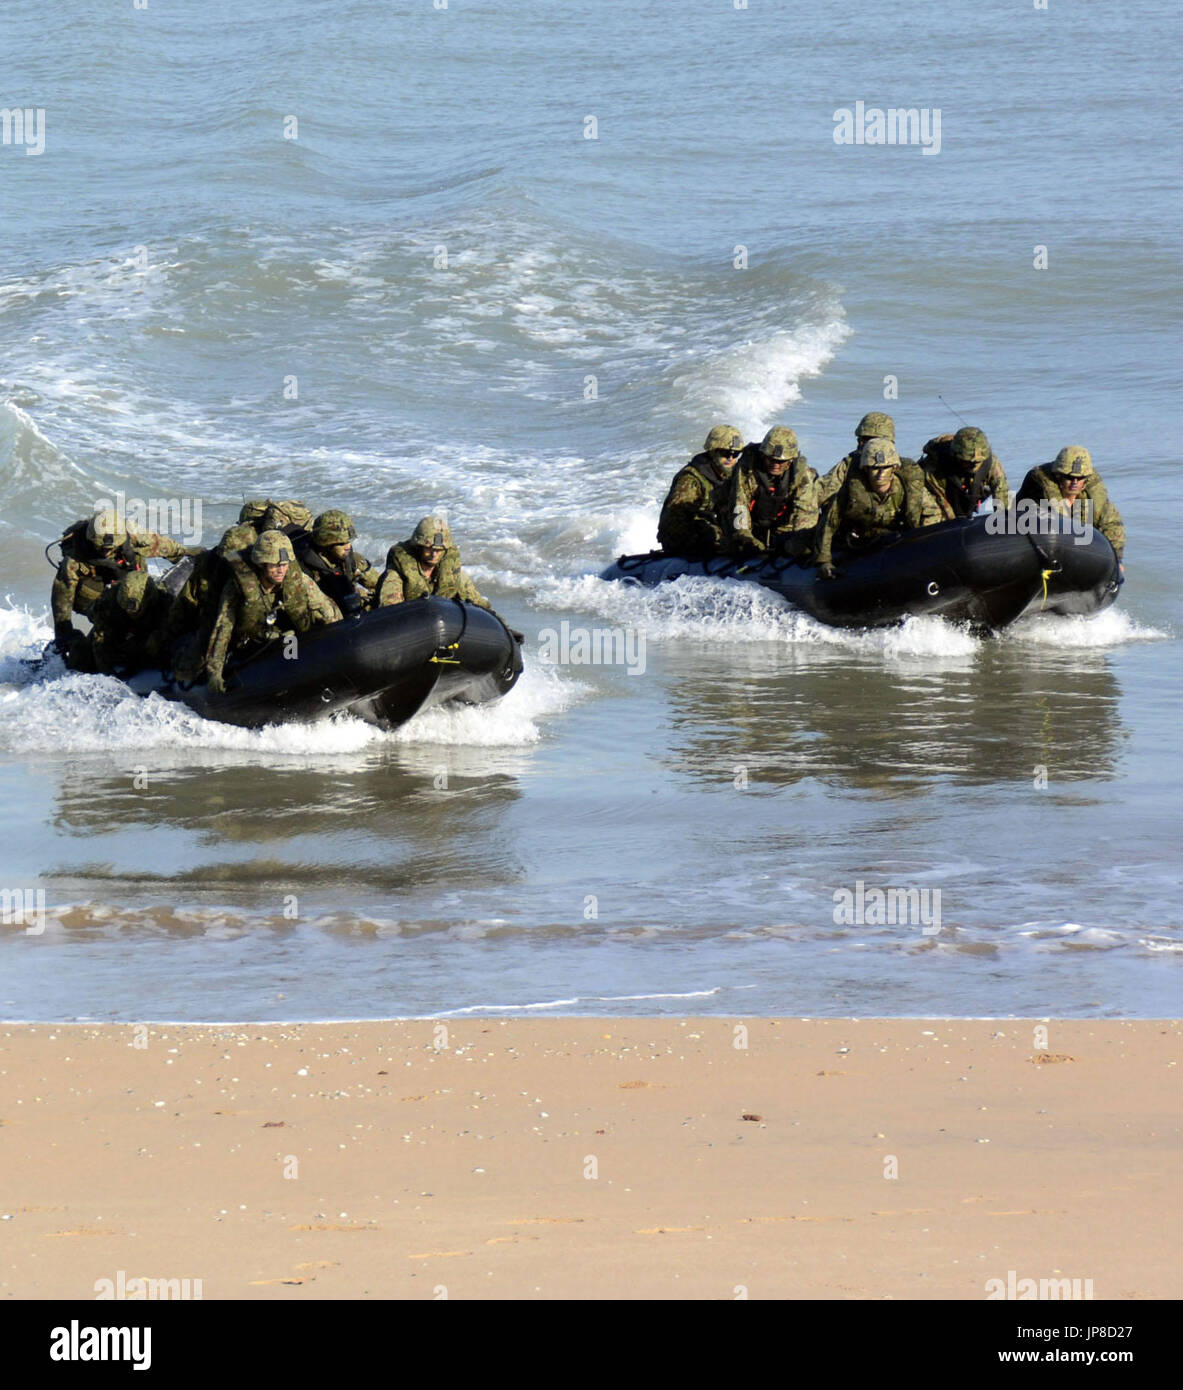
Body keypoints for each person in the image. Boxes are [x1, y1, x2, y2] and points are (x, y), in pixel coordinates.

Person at [50, 508, 198, 668]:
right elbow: (62, 600)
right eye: (101, 548)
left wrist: (201, 558)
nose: (106, 553)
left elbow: (172, 550)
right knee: (98, 649)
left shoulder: (134, 536)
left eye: (110, 549)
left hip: (134, 592)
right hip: (99, 604)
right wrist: (64, 634)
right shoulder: (75, 559)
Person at [203, 530, 339, 696]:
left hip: (289, 639)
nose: (281, 570)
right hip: (249, 643)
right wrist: (214, 673)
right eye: (275, 565)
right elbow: (223, 628)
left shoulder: (299, 581)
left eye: (284, 564)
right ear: (262, 564)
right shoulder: (237, 588)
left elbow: (326, 610)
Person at [161, 522, 258, 679]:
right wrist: (168, 640)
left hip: (253, 627)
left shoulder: (265, 568)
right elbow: (184, 605)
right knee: (187, 668)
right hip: (213, 627)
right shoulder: (207, 570)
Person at [814, 438, 921, 578]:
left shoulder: (907, 491)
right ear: (865, 469)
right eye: (874, 468)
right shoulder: (851, 491)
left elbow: (923, 520)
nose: (880, 474)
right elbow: (828, 524)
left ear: (894, 468)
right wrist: (824, 562)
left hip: (892, 542)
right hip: (855, 545)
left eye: (885, 467)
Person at [1016, 446, 1126, 564]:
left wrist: (1116, 560)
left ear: (1086, 479)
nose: (1075, 482)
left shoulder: (1093, 499)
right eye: (1069, 478)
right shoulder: (1038, 495)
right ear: (1058, 476)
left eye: (1080, 478)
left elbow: (1112, 524)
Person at [728, 426, 820, 560]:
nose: (775, 464)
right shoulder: (748, 469)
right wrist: (745, 536)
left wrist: (797, 542)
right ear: (763, 455)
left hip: (783, 527)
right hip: (752, 524)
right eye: (771, 459)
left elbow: (805, 511)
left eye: (781, 461)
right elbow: (739, 502)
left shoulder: (802, 474)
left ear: (790, 460)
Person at [656, 425, 744, 560]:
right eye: (725, 453)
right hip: (690, 539)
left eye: (735, 454)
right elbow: (674, 521)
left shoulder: (732, 476)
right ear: (713, 451)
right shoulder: (691, 480)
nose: (731, 458)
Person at [376, 516, 490, 608]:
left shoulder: (455, 576)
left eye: (438, 550)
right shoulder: (395, 577)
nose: (434, 554)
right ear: (419, 547)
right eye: (429, 549)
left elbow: (482, 607)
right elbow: (391, 613)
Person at [818, 411, 918, 505]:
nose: (861, 443)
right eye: (860, 439)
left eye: (867, 440)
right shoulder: (848, 466)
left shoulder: (908, 470)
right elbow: (819, 496)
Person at [918, 426, 1010, 523]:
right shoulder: (935, 465)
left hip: (968, 492)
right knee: (937, 517)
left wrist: (1002, 520)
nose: (974, 465)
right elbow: (939, 500)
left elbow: (1001, 492)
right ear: (956, 457)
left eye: (978, 462)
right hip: (935, 492)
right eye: (968, 462)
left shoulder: (991, 464)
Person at [297, 510, 380, 616]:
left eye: (348, 541)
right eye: (342, 544)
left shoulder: (352, 559)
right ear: (326, 543)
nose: (348, 547)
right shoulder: (304, 569)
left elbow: (378, 584)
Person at [87, 571, 171, 676]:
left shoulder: (164, 603)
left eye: (135, 611)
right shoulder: (108, 602)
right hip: (118, 639)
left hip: (145, 642)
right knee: (80, 657)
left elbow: (170, 630)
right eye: (127, 608)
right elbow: (99, 638)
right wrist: (109, 675)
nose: (131, 612)